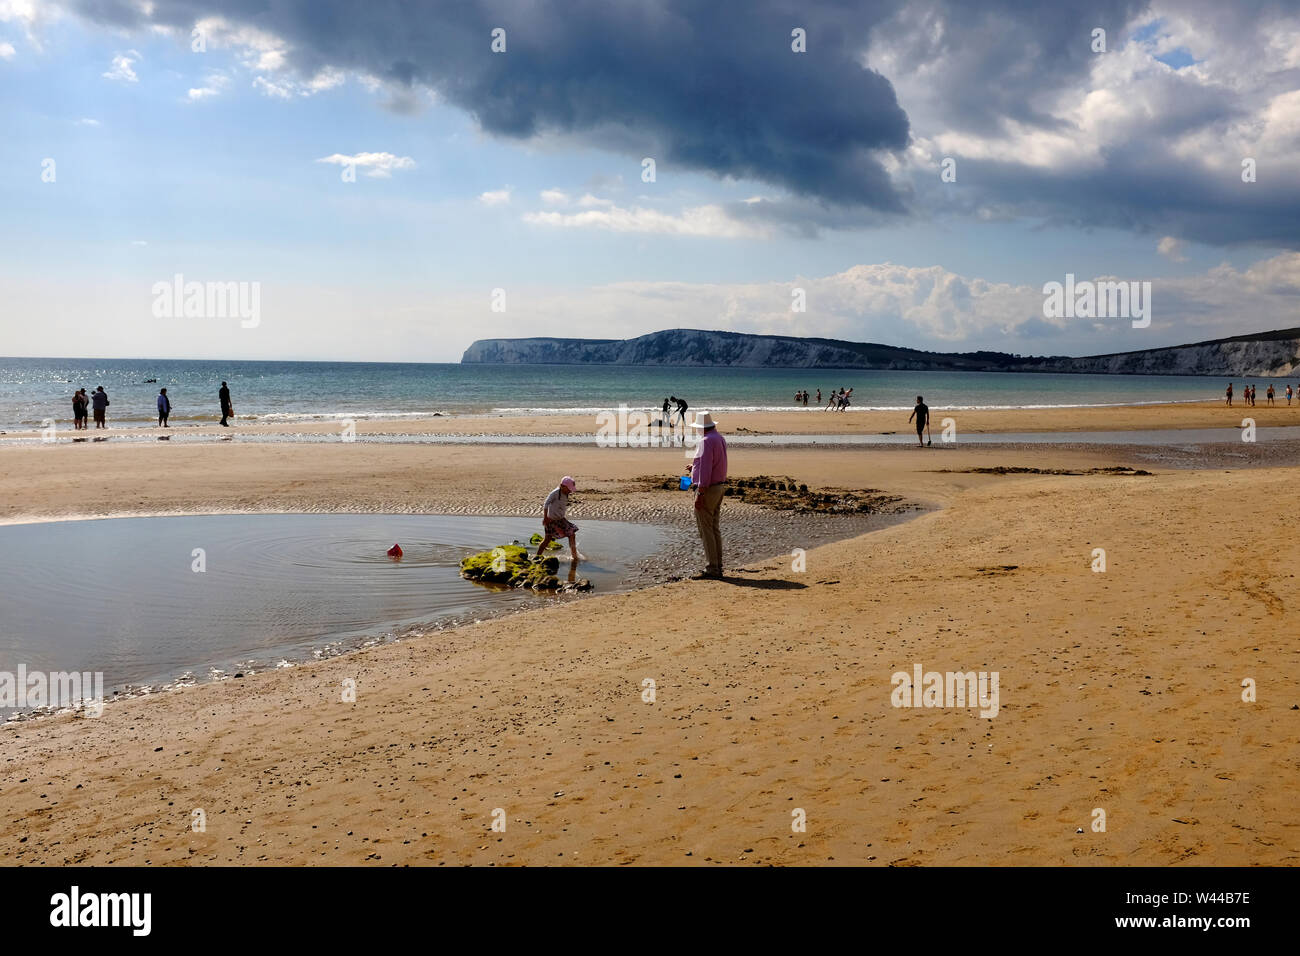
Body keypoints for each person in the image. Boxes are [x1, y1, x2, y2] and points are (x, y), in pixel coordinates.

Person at [688, 411, 728, 580]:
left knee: (706, 530)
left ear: (701, 428)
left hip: (708, 489)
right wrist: (694, 468)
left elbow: (705, 470)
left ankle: (712, 568)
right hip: (719, 487)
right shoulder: (719, 438)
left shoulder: (705, 441)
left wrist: (700, 493)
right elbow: (713, 464)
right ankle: (717, 565)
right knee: (714, 527)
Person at [536, 476, 581, 562]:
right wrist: (545, 518)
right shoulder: (555, 493)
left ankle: (574, 557)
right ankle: (537, 556)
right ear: (562, 486)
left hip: (561, 519)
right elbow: (546, 504)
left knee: (572, 534)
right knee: (547, 540)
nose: (570, 491)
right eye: (569, 489)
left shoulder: (566, 493)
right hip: (551, 520)